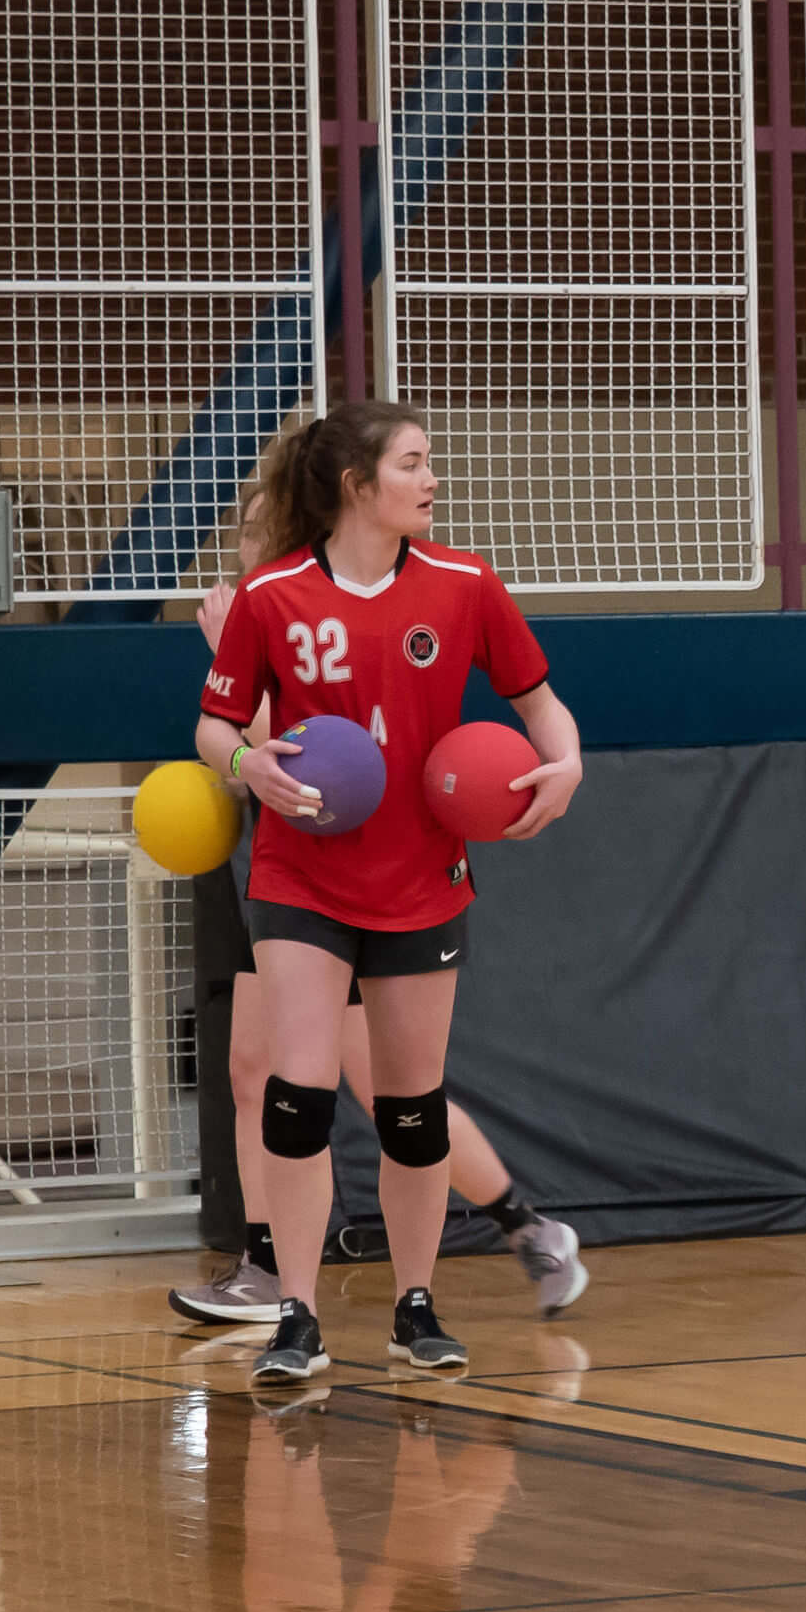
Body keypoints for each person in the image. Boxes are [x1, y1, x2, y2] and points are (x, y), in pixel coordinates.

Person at [195, 401, 583, 1384]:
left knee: (413, 1109)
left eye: (429, 463)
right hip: (300, 877)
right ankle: (295, 1313)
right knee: (296, 1095)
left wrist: (565, 762)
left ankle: (417, 1306)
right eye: (413, 464)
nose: (431, 480)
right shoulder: (271, 593)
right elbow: (215, 724)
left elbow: (538, 701)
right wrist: (248, 763)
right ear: (358, 485)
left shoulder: (463, 583)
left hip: (423, 878)